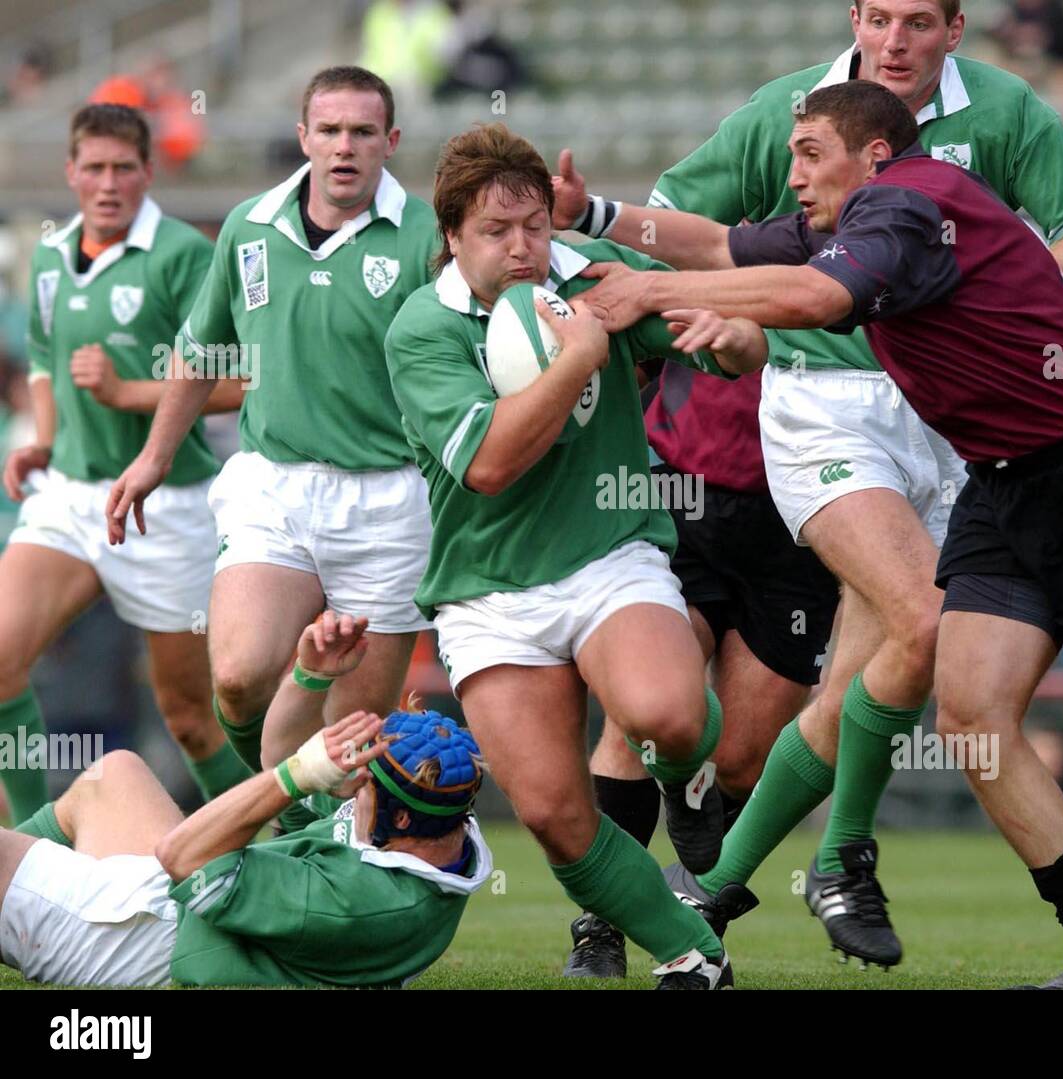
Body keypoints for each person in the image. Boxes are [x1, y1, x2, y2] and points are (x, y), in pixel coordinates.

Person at [582, 79, 1063, 989]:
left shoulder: (912, 207)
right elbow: (717, 238)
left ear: (874, 157)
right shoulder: (847, 218)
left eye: (808, 156)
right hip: (1001, 488)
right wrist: (593, 218)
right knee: (970, 719)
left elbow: (816, 297)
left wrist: (655, 291)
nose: (790, 174)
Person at [553, 0, 1063, 970]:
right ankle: (791, 867)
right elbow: (698, 236)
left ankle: (732, 884)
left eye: (917, 21)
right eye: (877, 17)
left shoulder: (1004, 111)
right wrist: (596, 231)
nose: (893, 40)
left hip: (947, 416)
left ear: (956, 29)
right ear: (854, 19)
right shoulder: (790, 111)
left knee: (866, 681)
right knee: (898, 631)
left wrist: (974, 275)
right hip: (808, 416)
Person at [384, 122, 768, 988]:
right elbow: (489, 463)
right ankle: (692, 952)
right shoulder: (420, 329)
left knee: (667, 713)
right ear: (451, 236)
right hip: (486, 592)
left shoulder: (594, 275)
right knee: (558, 818)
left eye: (533, 226)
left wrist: (729, 332)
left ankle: (688, 778)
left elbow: (742, 350)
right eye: (496, 231)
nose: (523, 249)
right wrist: (582, 353)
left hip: (608, 553)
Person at [107, 68, 440, 823]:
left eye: (362, 132)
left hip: (390, 499)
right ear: (303, 138)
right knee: (238, 676)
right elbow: (198, 352)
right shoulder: (249, 225)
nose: (344, 147)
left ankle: (307, 869)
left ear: (390, 142)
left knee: (351, 744)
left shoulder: (427, 235)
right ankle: (263, 813)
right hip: (274, 483)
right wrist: (154, 456)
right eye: (329, 131)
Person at [0, 608, 491, 987]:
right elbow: (279, 758)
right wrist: (310, 679)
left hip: (142, 939)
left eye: (366, 781)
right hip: (181, 903)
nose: (356, 783)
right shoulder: (439, 836)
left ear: (401, 820)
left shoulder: (360, 902)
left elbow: (183, 859)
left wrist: (300, 773)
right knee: (116, 774)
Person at [2, 103, 246, 821]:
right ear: (71, 171)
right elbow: (46, 360)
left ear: (148, 170)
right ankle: (28, 848)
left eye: (123, 168)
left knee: (191, 717)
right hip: (70, 497)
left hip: (166, 509)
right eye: (94, 167)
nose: (108, 183)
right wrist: (43, 440)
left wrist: (125, 390)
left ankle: (260, 856)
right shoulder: (50, 255)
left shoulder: (183, 255)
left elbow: (238, 376)